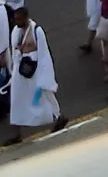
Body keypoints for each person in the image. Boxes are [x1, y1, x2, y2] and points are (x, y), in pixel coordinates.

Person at [5, 8, 64, 143]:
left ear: (26, 17)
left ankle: (59, 116)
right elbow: (14, 51)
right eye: (16, 19)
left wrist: (45, 73)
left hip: (35, 68)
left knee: (44, 94)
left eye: (19, 19)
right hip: (21, 69)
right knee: (16, 98)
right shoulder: (15, 31)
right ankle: (16, 132)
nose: (17, 21)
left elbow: (44, 52)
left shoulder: (37, 31)